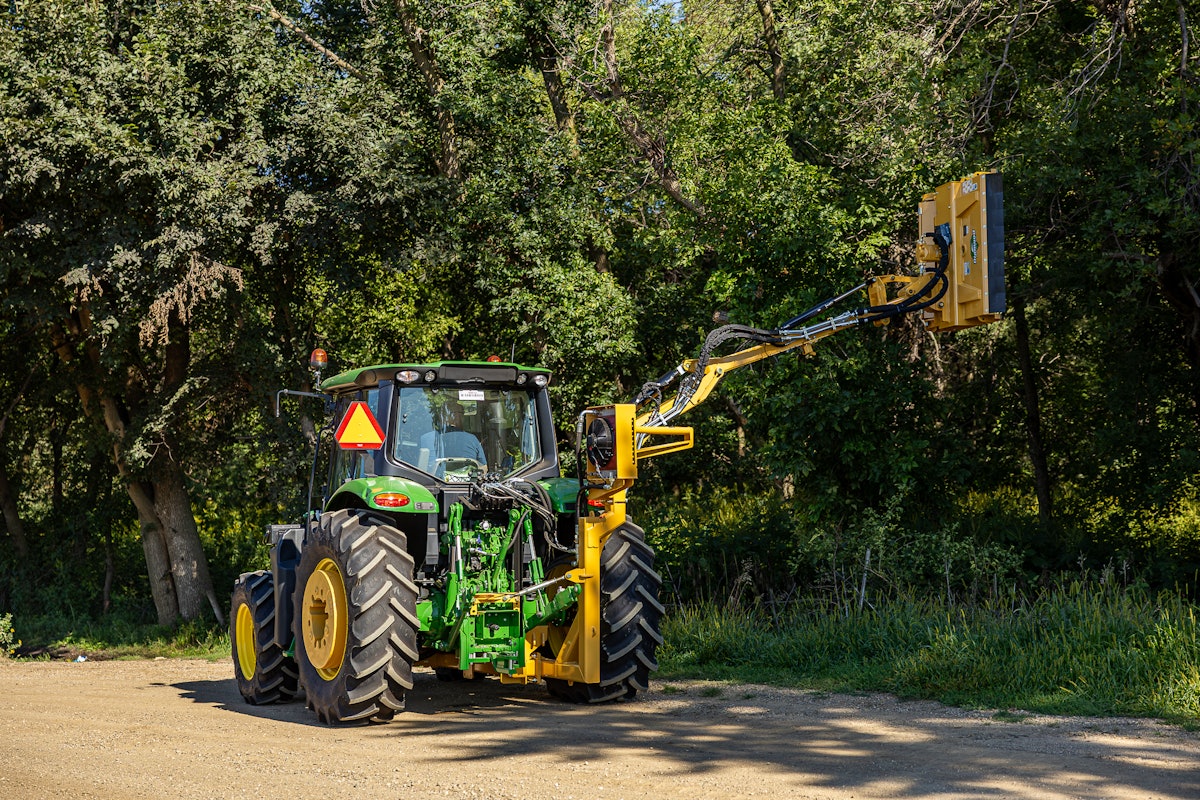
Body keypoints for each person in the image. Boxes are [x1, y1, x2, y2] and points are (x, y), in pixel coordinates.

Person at [418, 399, 486, 476]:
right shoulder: (472, 439)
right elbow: (483, 469)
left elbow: (418, 468)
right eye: (462, 414)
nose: (462, 417)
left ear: (442, 417)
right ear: (454, 416)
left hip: (433, 484)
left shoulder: (426, 438)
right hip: (468, 486)